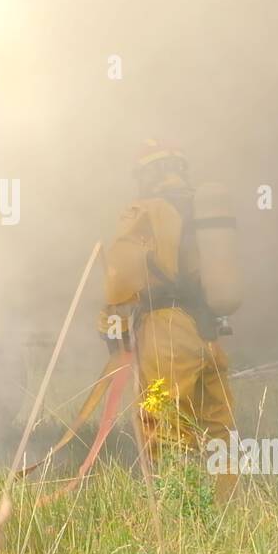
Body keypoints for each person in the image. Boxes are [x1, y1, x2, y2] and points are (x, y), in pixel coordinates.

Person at [100, 140, 238, 496]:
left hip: (167, 333)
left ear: (146, 174)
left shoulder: (144, 210)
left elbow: (121, 276)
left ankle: (177, 518)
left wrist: (112, 327)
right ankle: (222, 516)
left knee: (164, 424)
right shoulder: (204, 211)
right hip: (208, 332)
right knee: (217, 429)